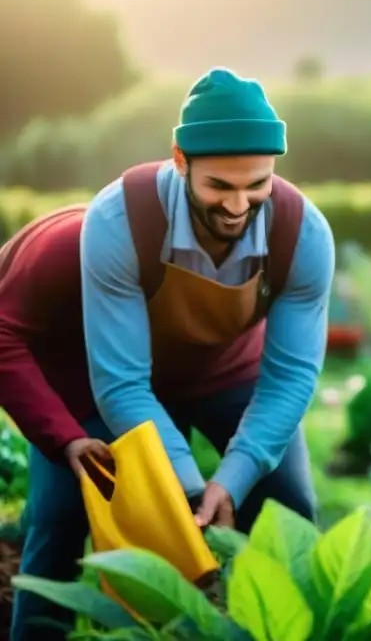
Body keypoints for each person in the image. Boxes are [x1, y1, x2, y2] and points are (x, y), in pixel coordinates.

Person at [0, 67, 334, 639]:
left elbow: (292, 376)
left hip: (231, 371)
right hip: (112, 378)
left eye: (256, 185)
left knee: (288, 504)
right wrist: (189, 484)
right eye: (219, 187)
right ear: (180, 160)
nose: (238, 205)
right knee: (59, 517)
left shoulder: (302, 233)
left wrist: (234, 474)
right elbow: (123, 384)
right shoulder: (115, 222)